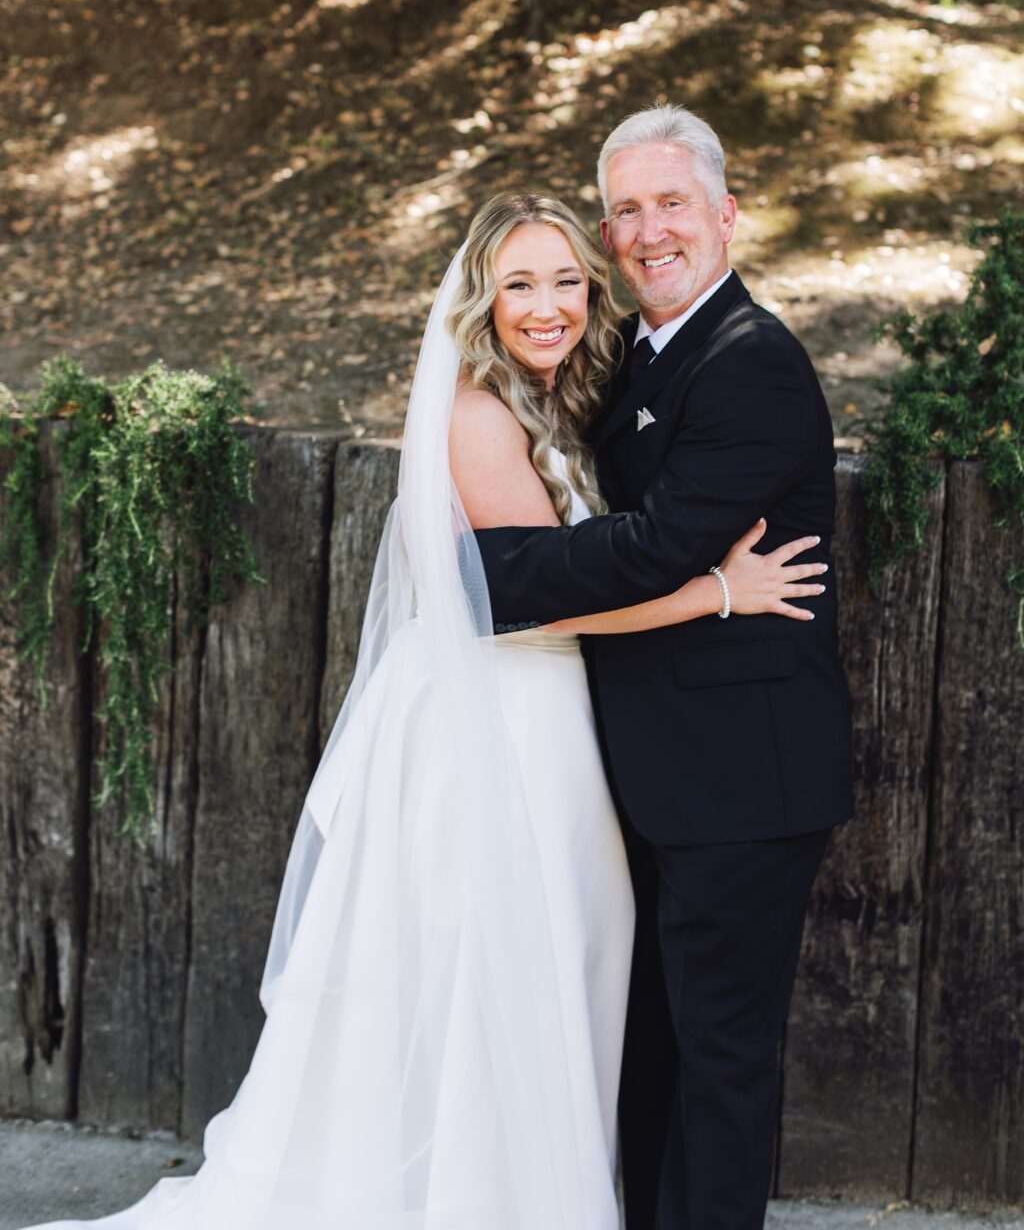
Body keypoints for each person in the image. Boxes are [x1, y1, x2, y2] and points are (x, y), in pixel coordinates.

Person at [20, 189, 826, 1230]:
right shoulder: (481, 416)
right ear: (479, 300)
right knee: (484, 978)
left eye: (568, 282)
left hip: (543, 726)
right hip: (492, 725)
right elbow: (541, 603)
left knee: (534, 973)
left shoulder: (551, 405)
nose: (549, 307)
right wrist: (722, 592)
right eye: (519, 285)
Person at [473, 111, 855, 1230]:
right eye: (627, 211)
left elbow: (654, 549)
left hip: (741, 780)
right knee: (653, 1059)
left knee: (719, 1066)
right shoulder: (635, 355)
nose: (650, 232)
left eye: (672, 203)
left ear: (725, 215)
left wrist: (495, 573)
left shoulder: (752, 366)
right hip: (657, 773)